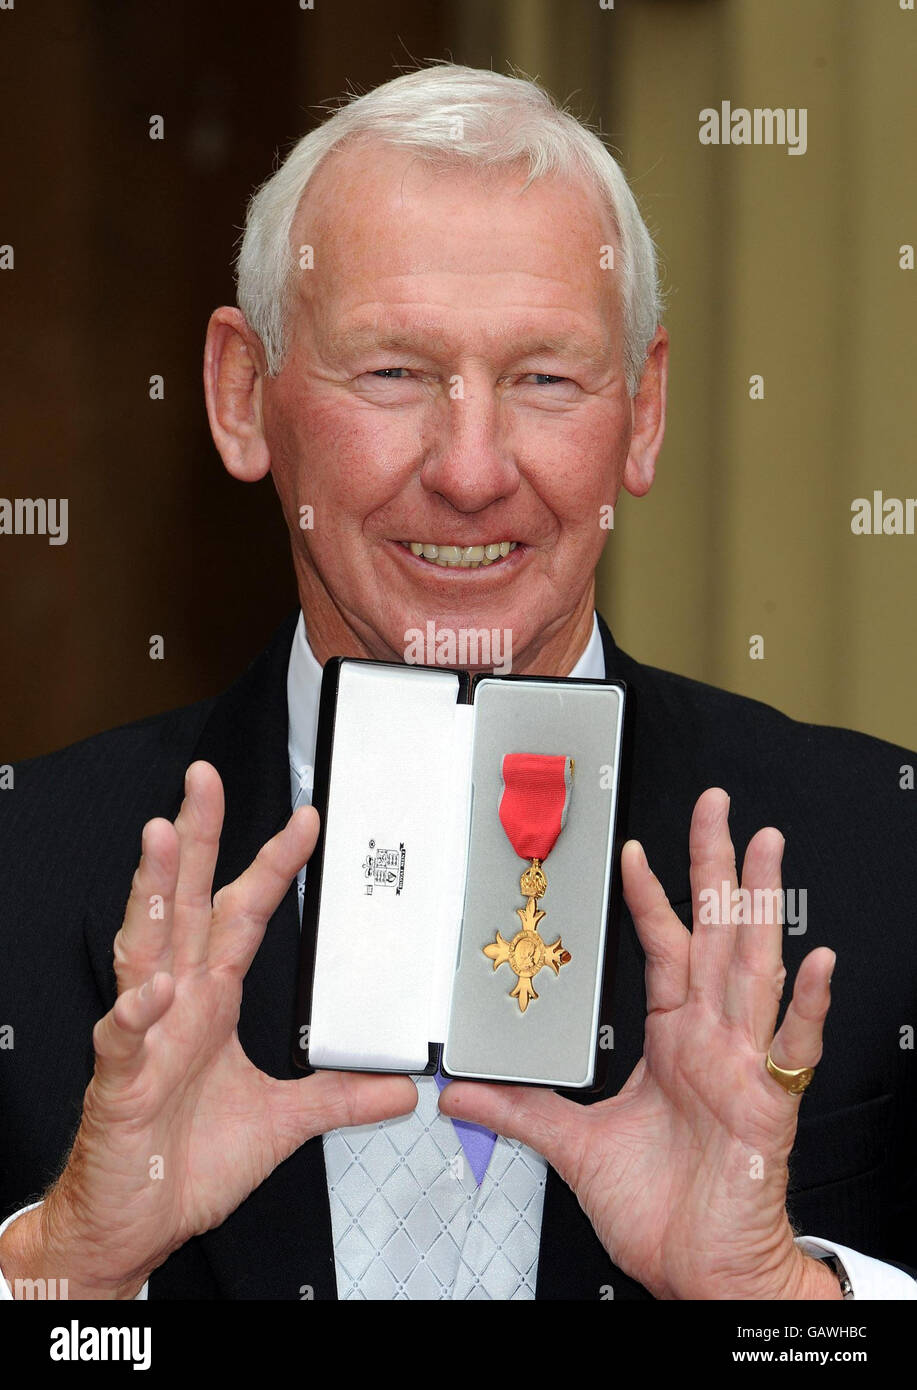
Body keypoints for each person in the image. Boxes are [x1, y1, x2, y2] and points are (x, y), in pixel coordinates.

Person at [1, 63, 914, 1301]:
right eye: (391, 373)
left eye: (545, 378)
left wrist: (770, 1302)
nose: (473, 471)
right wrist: (66, 1272)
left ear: (640, 410)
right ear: (239, 395)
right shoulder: (20, 875)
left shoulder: (882, 853)